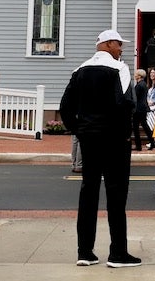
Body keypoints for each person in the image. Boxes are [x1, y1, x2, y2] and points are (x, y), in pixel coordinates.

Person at [58, 30, 140, 268]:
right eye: (119, 44)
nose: (121, 49)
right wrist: (125, 135)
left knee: (88, 191)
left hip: (89, 138)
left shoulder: (79, 71)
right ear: (108, 44)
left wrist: (79, 129)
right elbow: (125, 103)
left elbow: (65, 107)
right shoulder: (119, 68)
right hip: (114, 139)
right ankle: (118, 253)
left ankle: (85, 251)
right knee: (116, 195)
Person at [132, 68, 155, 151]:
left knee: (136, 127)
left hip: (138, 109)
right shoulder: (144, 84)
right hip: (143, 108)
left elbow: (135, 97)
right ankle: (152, 142)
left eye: (136, 74)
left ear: (139, 76)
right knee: (144, 125)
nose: (135, 75)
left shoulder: (139, 85)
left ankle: (138, 146)